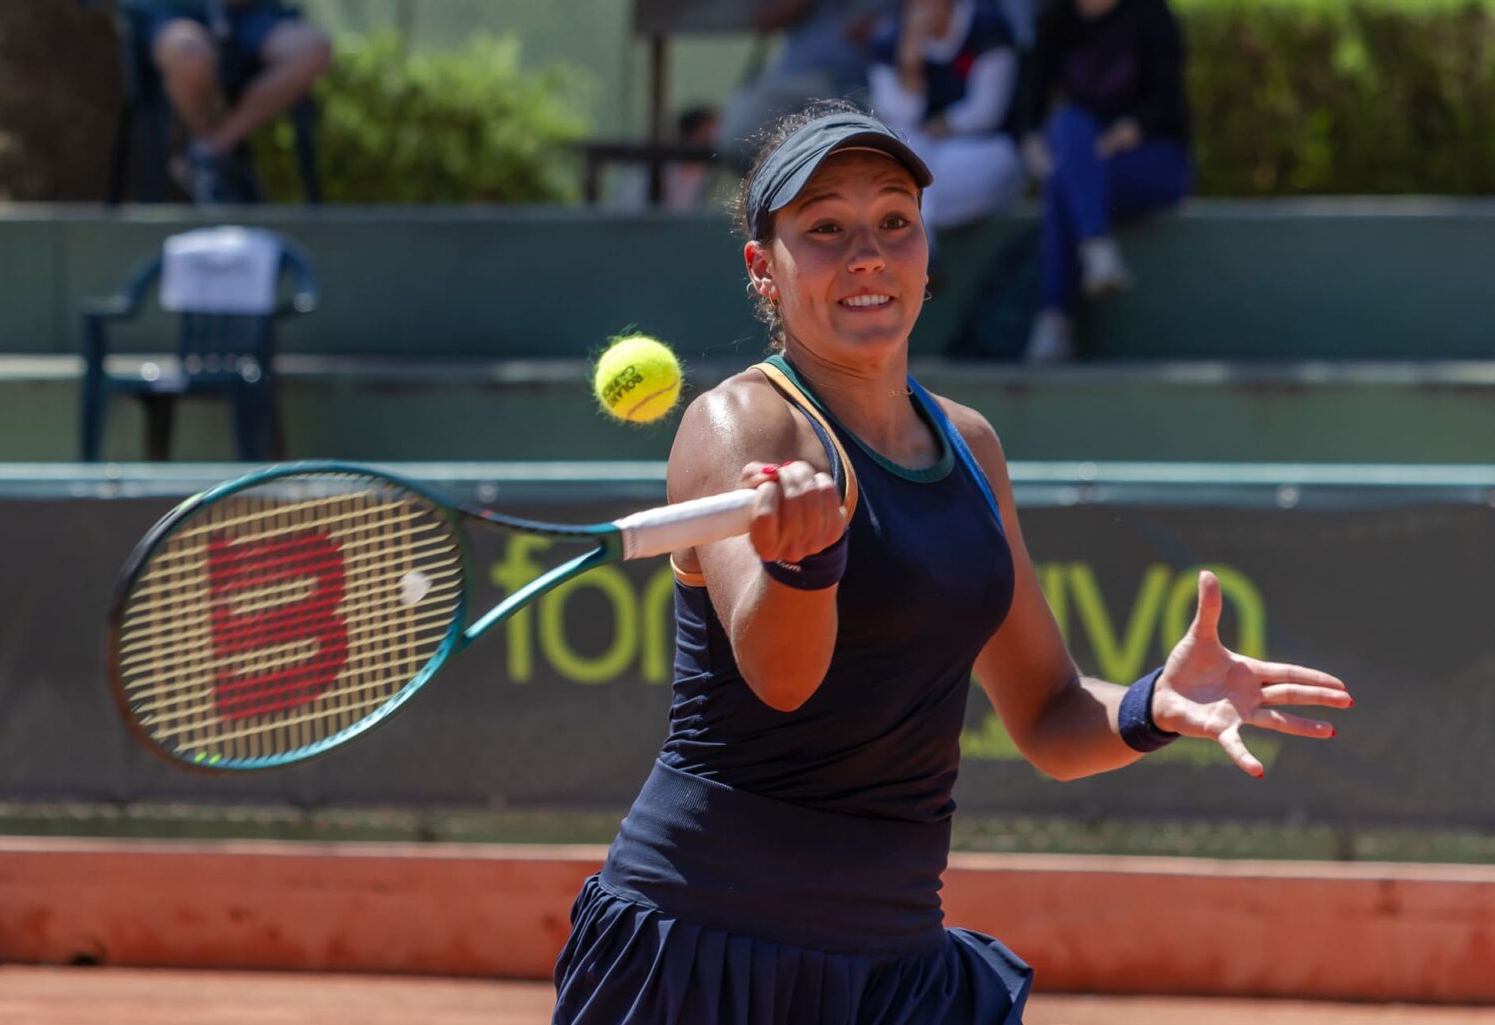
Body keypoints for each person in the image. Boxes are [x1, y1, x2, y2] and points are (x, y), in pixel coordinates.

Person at [551, 101, 1352, 1024]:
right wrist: (805, 565)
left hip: (895, 964)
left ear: (926, 253)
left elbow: (1050, 715)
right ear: (762, 269)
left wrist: (1150, 706)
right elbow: (781, 676)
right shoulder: (741, 426)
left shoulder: (970, 444)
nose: (868, 253)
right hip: (706, 951)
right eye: (825, 229)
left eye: (895, 221)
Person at [1017, 0, 1193, 362]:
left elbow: (1169, 105)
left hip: (1151, 160)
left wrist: (1124, 134)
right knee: (1067, 127)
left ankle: (1054, 319)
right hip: (1086, 164)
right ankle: (1097, 249)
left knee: (1065, 182)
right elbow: (1030, 106)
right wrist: (1033, 147)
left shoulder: (1152, 15)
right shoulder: (1055, 21)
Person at [138, 0, 331, 204]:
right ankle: (207, 164)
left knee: (313, 47)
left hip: (250, 15)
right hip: (172, 12)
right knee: (188, 50)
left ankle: (211, 151)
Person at [869, 0, 1024, 234]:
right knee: (902, 166)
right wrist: (911, 63)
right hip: (922, 151)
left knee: (905, 185)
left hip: (984, 149)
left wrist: (941, 125)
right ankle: (921, 254)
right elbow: (900, 119)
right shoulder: (889, 37)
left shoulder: (986, 26)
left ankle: (923, 254)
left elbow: (987, 111)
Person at [717, 0, 900, 165]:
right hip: (793, 78)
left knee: (880, 149)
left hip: (861, 87)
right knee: (736, 138)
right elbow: (763, 22)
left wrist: (878, 33)